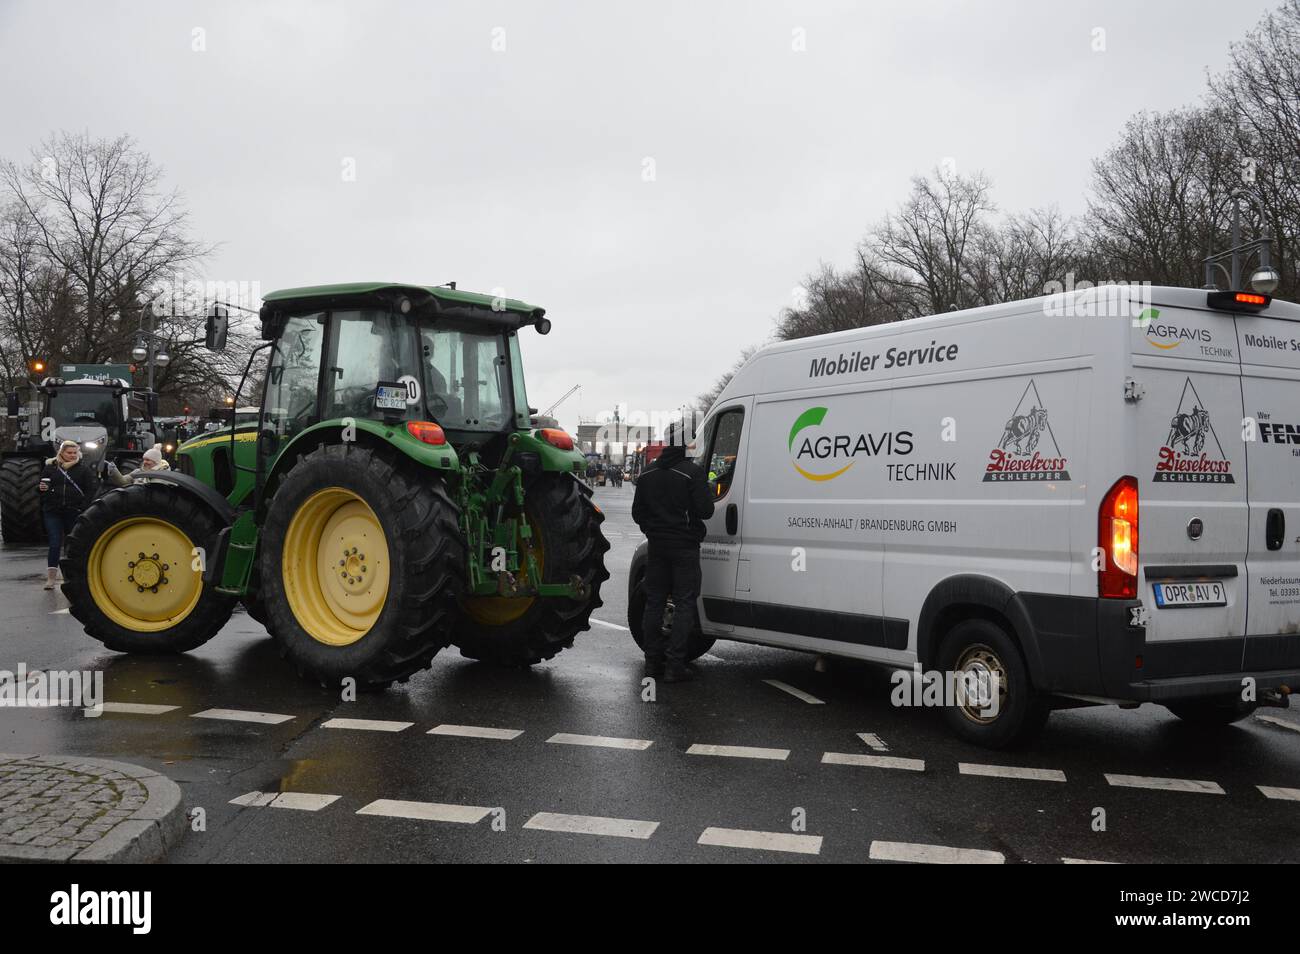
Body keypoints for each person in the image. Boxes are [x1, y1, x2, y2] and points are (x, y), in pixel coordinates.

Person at [631, 423, 715, 682]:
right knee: (684, 603)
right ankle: (675, 665)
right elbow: (706, 511)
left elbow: (638, 513)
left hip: (657, 546)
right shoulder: (692, 473)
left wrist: (653, 530)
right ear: (687, 444)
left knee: (654, 603)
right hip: (685, 547)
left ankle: (652, 663)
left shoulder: (647, 472)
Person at [38, 440, 99, 590]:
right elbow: (40, 489)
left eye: (74, 453)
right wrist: (41, 489)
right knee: (54, 542)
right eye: (69, 453)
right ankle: (51, 579)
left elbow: (91, 490)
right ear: (61, 453)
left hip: (74, 511)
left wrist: (83, 507)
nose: (72, 456)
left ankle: (70, 577)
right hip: (53, 511)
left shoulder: (83, 470)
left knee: (72, 545)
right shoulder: (50, 469)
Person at [103, 443, 170, 488]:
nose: (145, 462)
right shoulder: (138, 472)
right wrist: (114, 471)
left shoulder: (163, 476)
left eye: (148, 460)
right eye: (144, 459)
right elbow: (123, 482)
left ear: (156, 462)